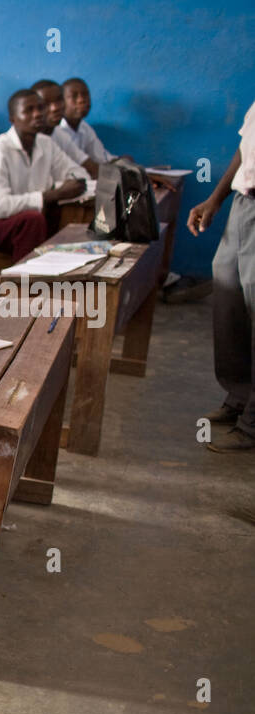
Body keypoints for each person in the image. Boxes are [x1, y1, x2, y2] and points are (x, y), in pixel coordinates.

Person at [187, 96, 255, 453]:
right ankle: (241, 394)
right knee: (229, 297)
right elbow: (245, 149)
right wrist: (215, 199)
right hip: (245, 204)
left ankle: (252, 426)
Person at [0, 88, 89, 261]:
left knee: (59, 211)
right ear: (13, 119)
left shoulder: (46, 144)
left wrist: (62, 189)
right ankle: (24, 283)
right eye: (28, 111)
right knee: (32, 220)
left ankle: (64, 269)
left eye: (40, 108)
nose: (37, 114)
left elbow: (78, 173)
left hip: (19, 217)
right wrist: (51, 194)